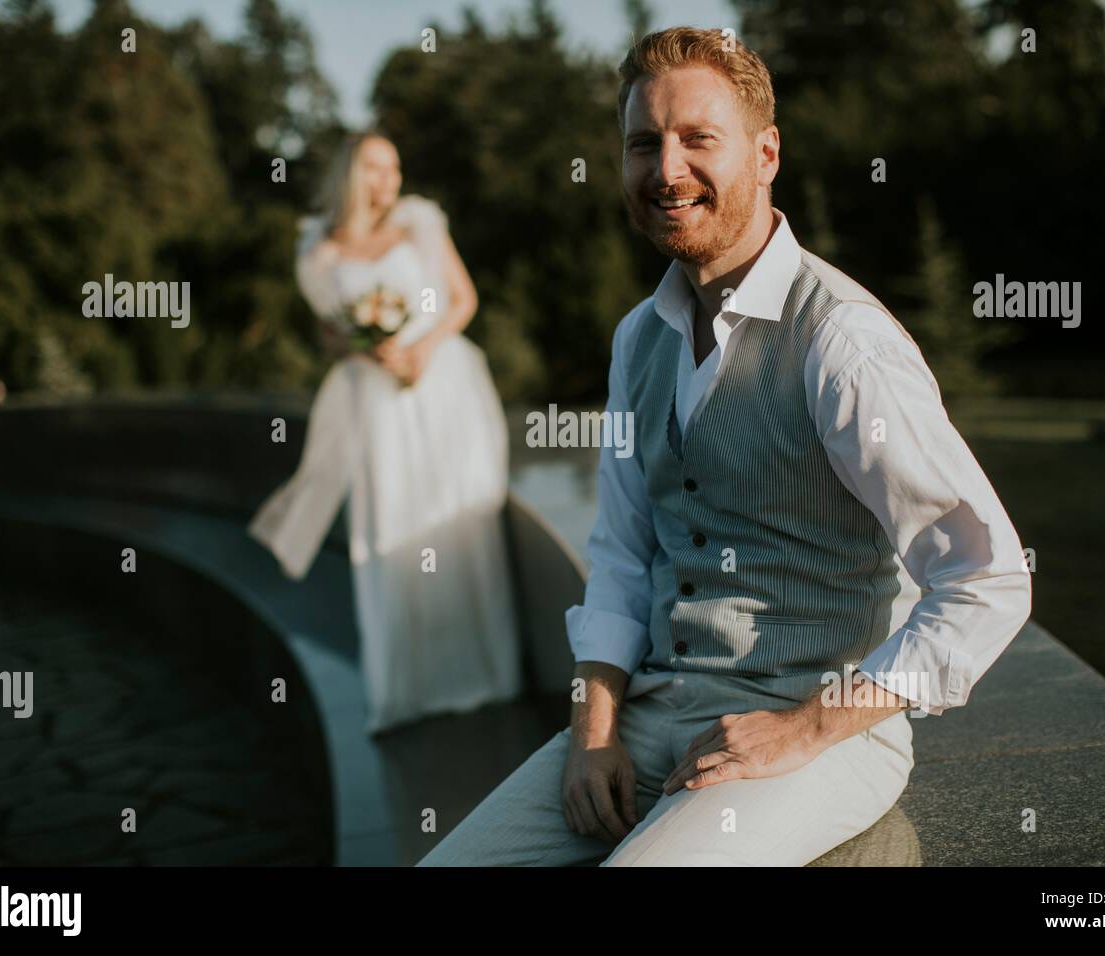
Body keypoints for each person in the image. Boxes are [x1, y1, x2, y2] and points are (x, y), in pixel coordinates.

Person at [417, 27, 1032, 866]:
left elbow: (986, 576)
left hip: (813, 734)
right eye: (644, 144)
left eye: (698, 139)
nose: (666, 170)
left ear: (767, 153)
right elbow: (623, 554)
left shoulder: (842, 342)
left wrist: (809, 726)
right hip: (649, 712)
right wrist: (592, 732)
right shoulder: (639, 337)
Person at [248, 130, 521, 735]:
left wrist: (420, 349)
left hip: (440, 385)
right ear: (349, 172)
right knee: (389, 524)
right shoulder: (318, 247)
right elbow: (328, 333)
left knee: (453, 520)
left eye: (393, 167)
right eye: (374, 167)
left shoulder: (420, 222)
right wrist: (368, 349)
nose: (387, 180)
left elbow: (462, 299)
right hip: (372, 400)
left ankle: (481, 677)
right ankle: (408, 689)